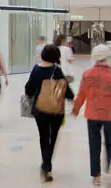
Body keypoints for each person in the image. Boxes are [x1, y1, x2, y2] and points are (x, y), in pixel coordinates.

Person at [73, 44, 111, 186]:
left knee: (94, 144)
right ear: (108, 58)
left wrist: (76, 109)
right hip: (109, 115)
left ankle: (96, 176)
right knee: (109, 143)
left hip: (92, 115)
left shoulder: (87, 74)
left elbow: (81, 94)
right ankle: (107, 170)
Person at [25, 44, 75, 183]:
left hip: (40, 110)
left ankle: (46, 164)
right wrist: (72, 100)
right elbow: (67, 90)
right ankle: (47, 164)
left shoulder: (36, 69)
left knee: (43, 136)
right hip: (56, 111)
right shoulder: (57, 70)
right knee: (53, 137)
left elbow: (28, 89)